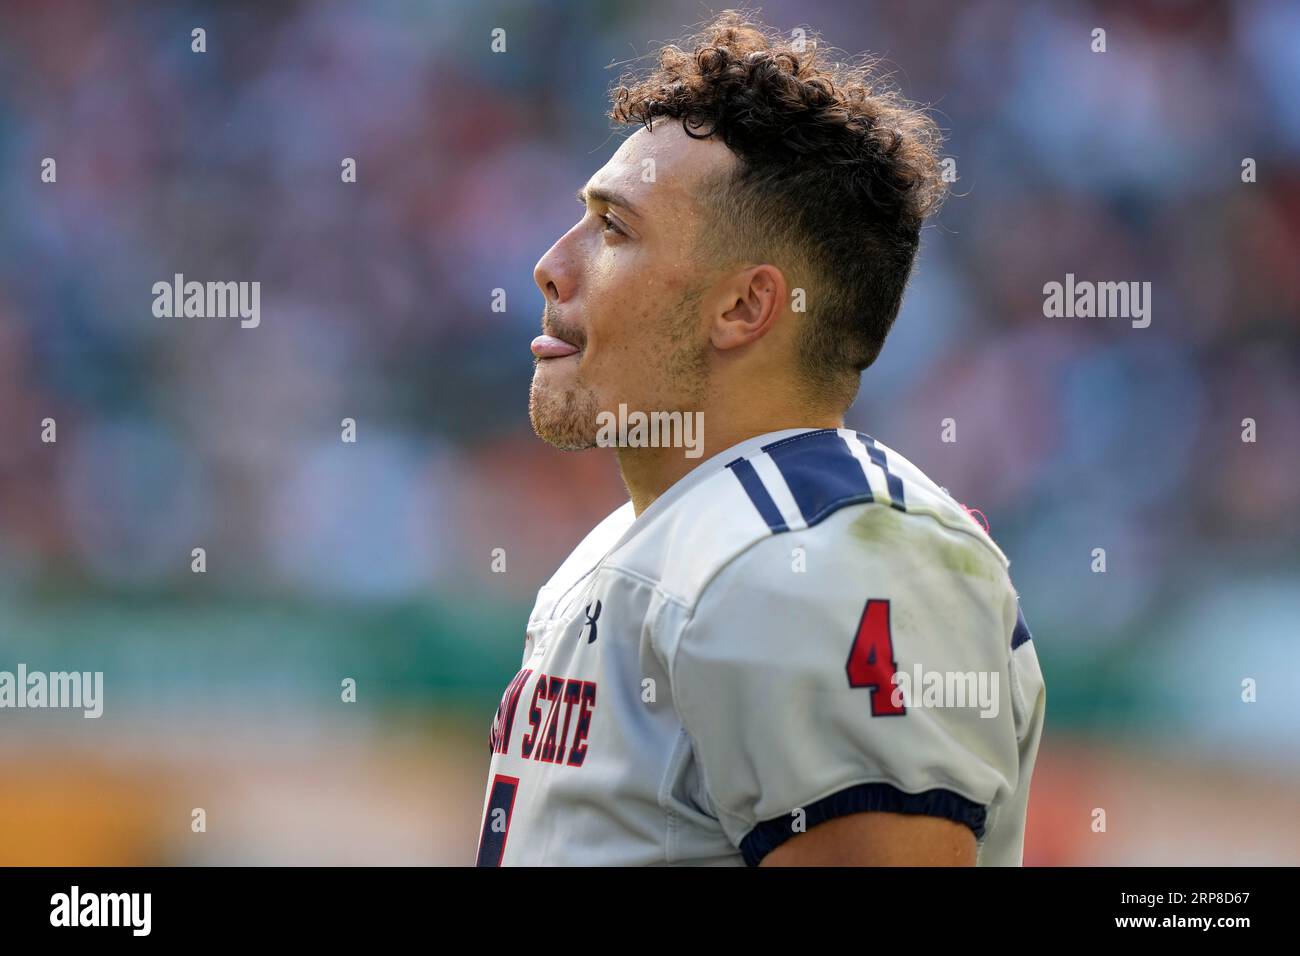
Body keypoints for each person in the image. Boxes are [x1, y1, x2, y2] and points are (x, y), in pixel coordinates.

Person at [477, 9, 1045, 866]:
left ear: (746, 307)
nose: (552, 264)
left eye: (615, 228)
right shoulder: (663, 534)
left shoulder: (825, 554)